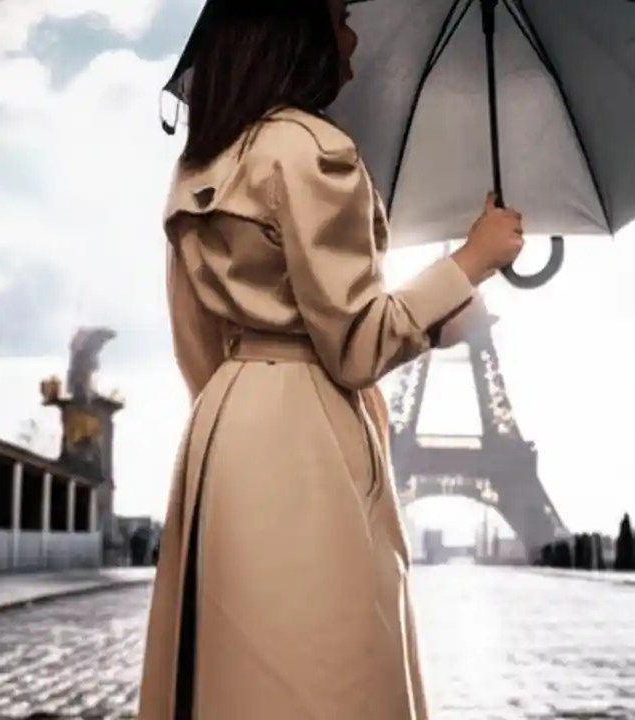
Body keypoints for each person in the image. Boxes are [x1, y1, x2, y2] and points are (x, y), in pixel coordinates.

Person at [138, 1, 524, 718]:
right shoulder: (315, 150)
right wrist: (472, 260)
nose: (352, 34)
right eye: (341, 13)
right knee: (326, 664)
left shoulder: (201, 164)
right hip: (305, 442)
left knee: (236, 670)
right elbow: (354, 346)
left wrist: (243, 398)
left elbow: (196, 343)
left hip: (223, 429)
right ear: (298, 27)